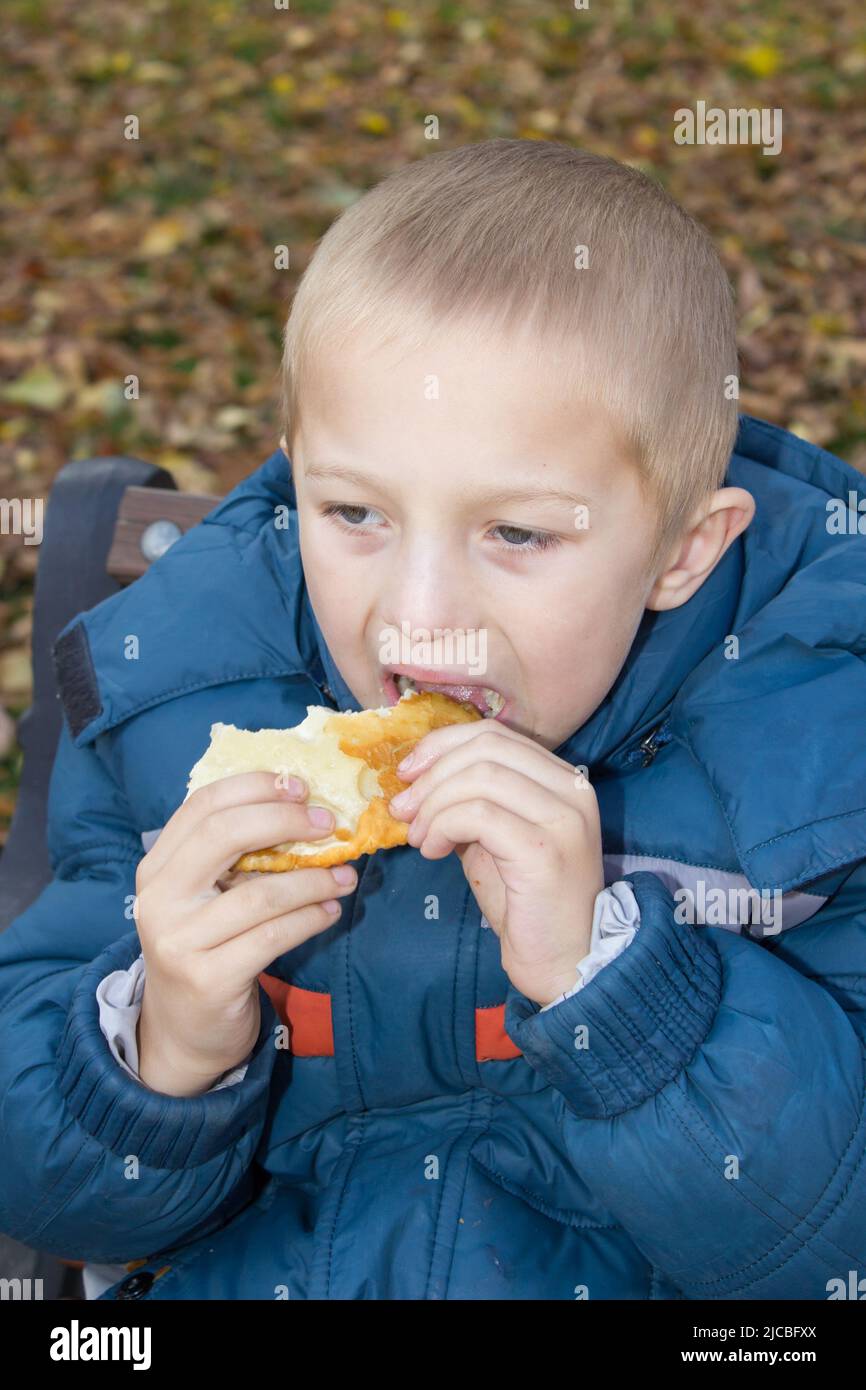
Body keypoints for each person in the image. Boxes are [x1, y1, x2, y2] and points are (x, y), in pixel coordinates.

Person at [1, 139, 864, 1301]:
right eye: (353, 511)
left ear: (679, 548)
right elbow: (43, 1194)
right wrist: (162, 1051)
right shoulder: (182, 720)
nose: (417, 620)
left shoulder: (820, 760)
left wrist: (614, 989)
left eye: (515, 535)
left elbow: (830, 1254)